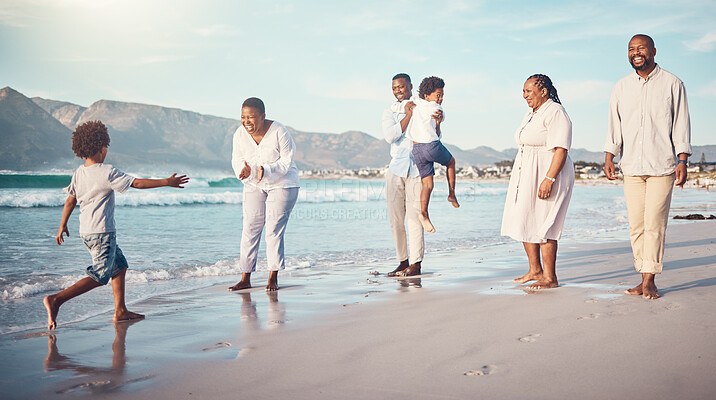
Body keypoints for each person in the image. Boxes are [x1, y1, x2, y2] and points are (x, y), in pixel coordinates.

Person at [43, 120, 189, 330]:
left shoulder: (79, 173)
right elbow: (136, 183)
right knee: (101, 275)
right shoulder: (107, 171)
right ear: (102, 147)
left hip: (87, 232)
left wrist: (62, 225)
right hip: (102, 232)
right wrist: (166, 182)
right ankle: (56, 299)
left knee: (119, 266)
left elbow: (70, 200)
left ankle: (120, 311)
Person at [604, 34, 691, 300]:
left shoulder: (672, 83)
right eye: (631, 49)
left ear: (653, 50)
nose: (636, 53)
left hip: (662, 165)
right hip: (630, 166)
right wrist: (610, 155)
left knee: (654, 223)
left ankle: (649, 279)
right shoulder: (621, 86)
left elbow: (681, 123)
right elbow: (614, 124)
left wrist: (683, 159)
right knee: (636, 225)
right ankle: (642, 275)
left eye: (641, 48)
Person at [501, 74, 575, 289]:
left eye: (528, 91)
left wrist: (549, 178)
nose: (525, 96)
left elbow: (561, 148)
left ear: (543, 91)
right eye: (523, 92)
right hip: (526, 170)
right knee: (524, 216)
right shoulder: (531, 113)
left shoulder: (556, 112)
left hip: (547, 170)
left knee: (545, 221)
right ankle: (535, 269)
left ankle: (550, 277)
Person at [228, 97, 300, 292]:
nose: (246, 121)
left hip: (283, 183)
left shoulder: (279, 131)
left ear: (262, 116)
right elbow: (237, 160)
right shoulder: (239, 134)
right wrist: (242, 172)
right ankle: (245, 277)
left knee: (273, 229)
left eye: (251, 117)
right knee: (250, 227)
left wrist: (265, 170)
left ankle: (273, 276)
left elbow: (286, 162)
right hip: (254, 183)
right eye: (243, 117)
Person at [381, 73, 425, 277]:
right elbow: (390, 136)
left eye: (401, 86)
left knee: (415, 218)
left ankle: (416, 263)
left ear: (410, 86)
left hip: (417, 169)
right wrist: (407, 116)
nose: (398, 90)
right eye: (394, 88)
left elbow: (433, 134)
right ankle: (403, 261)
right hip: (396, 169)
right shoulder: (389, 111)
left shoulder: (422, 105)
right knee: (396, 219)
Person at [409, 76, 459, 234]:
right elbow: (437, 133)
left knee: (428, 184)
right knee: (451, 163)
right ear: (427, 96)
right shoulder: (435, 108)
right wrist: (440, 119)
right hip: (431, 146)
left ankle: (423, 213)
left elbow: (435, 129)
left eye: (442, 95)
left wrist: (437, 123)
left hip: (416, 150)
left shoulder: (416, 103)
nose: (441, 99)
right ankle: (451, 194)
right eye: (438, 95)